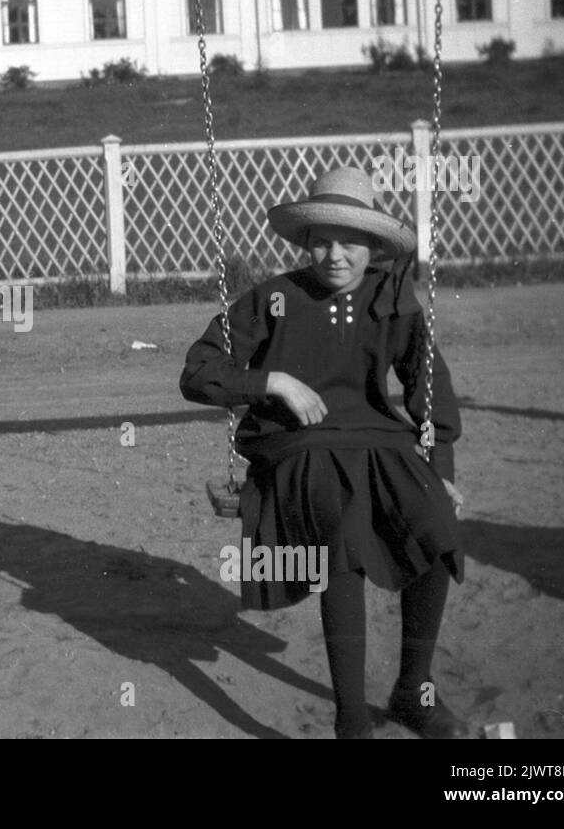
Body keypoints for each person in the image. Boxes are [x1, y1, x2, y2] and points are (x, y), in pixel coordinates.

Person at [179, 166, 470, 739]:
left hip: (377, 443)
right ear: (306, 242)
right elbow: (198, 372)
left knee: (437, 531)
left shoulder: (394, 300)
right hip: (297, 448)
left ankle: (413, 689)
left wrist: (442, 472)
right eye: (322, 240)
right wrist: (273, 383)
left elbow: (429, 391)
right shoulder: (273, 298)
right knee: (342, 534)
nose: (336, 255)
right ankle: (351, 720)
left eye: (351, 242)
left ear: (374, 246)